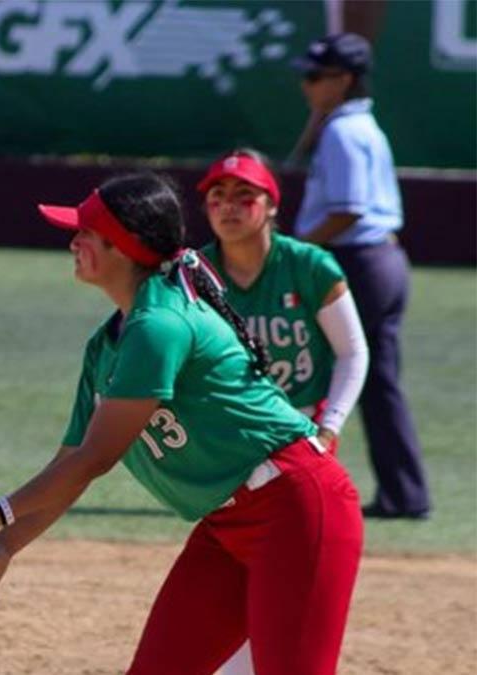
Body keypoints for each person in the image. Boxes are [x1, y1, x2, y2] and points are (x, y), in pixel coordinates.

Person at [0, 173, 363, 675]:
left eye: (86, 232)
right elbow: (71, 464)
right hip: (227, 522)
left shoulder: (160, 326)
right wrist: (3, 543)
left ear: (124, 246)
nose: (73, 241)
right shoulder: (108, 344)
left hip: (296, 509)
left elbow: (95, 459)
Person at [196, 149, 369, 675]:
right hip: (235, 446)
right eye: (217, 196)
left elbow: (353, 352)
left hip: (300, 440)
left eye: (244, 195)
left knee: (293, 566)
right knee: (240, 562)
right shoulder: (197, 273)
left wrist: (330, 424)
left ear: (272, 205)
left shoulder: (308, 266)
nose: (229, 206)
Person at [292, 32, 431, 519]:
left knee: (319, 373)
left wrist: (297, 249)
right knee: (378, 383)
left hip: (357, 262)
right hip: (383, 258)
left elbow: (348, 209)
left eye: (316, 76)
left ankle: (304, 486)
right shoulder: (362, 125)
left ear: (344, 79)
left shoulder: (342, 132)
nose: (307, 85)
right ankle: (404, 494)